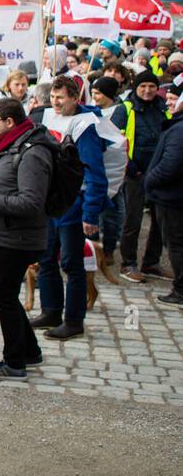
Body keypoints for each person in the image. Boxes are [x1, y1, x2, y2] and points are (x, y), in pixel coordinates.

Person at [0, 97, 55, 378]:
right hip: (6, 234)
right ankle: (29, 350)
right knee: (0, 291)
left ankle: (14, 362)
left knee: (3, 294)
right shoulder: (14, 145)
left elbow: (30, 202)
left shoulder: (32, 153)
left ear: (9, 123)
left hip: (17, 237)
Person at [32, 75, 109, 340]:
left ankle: (74, 319)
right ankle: (51, 310)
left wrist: (90, 212)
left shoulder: (85, 125)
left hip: (73, 204)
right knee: (46, 257)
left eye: (61, 98)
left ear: (75, 99)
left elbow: (95, 173)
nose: (55, 103)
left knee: (71, 262)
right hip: (50, 200)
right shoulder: (46, 117)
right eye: (53, 97)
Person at [111, 71, 169, 281]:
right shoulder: (125, 109)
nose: (147, 90)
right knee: (133, 220)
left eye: (151, 86)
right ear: (136, 87)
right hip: (134, 173)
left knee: (159, 222)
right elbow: (115, 141)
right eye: (143, 86)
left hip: (159, 174)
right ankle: (128, 263)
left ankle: (152, 263)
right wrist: (131, 167)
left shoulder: (162, 108)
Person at [144, 98, 183, 308]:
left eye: (175, 100)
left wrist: (149, 180)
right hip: (172, 195)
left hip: (171, 197)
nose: (170, 103)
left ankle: (181, 289)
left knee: (176, 243)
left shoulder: (178, 131)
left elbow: (170, 165)